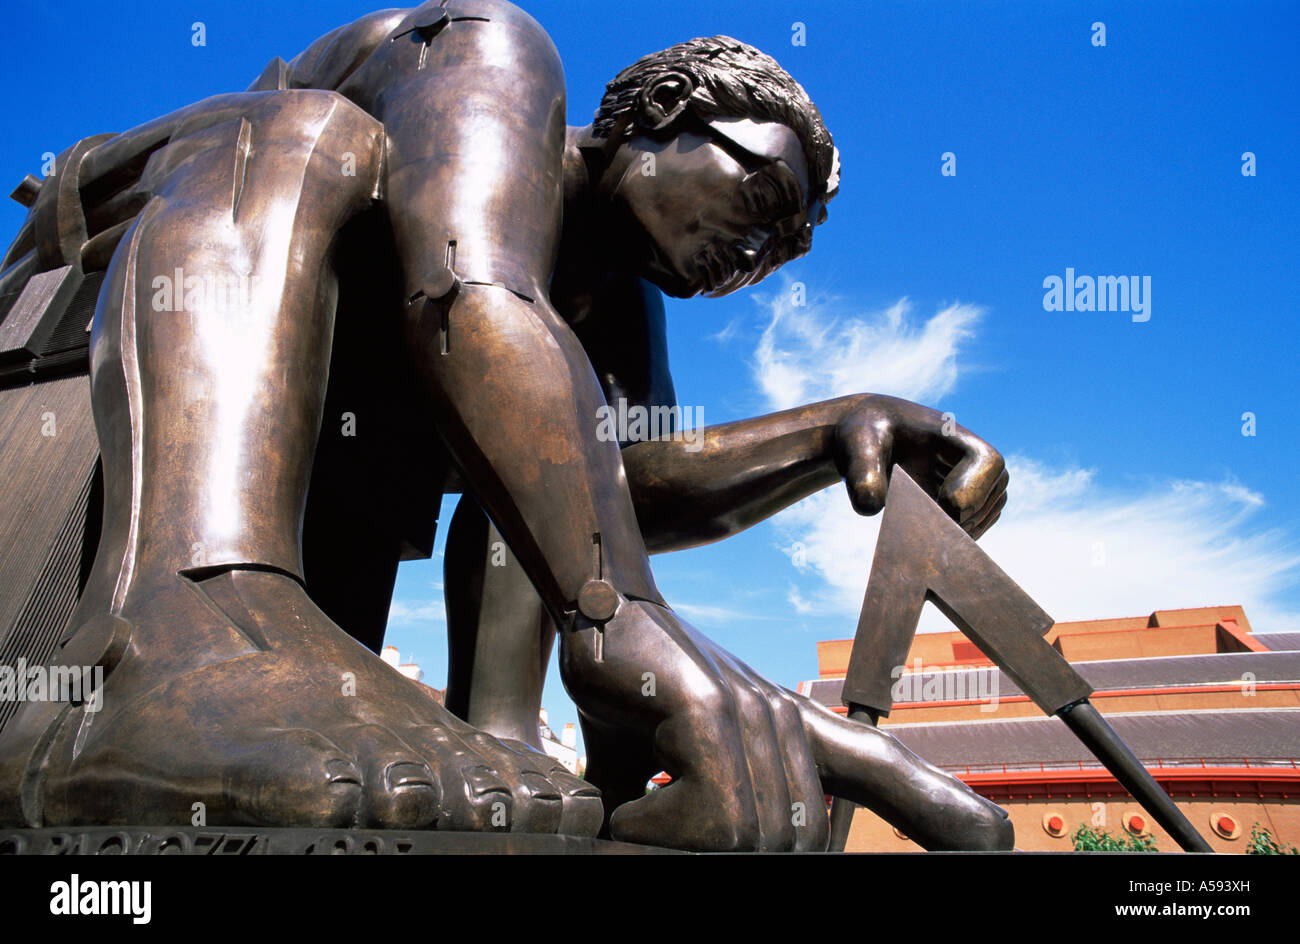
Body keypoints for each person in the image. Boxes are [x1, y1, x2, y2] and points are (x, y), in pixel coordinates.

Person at [0, 0, 1011, 851]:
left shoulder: (612, 301)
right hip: (116, 248)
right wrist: (615, 616)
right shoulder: (495, 53)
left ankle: (501, 728)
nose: (749, 255)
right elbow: (475, 287)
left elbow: (614, 486)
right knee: (321, 139)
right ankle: (173, 632)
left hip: (331, 439)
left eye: (775, 250)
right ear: (666, 108)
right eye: (758, 198)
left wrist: (826, 432)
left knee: (543, 448)